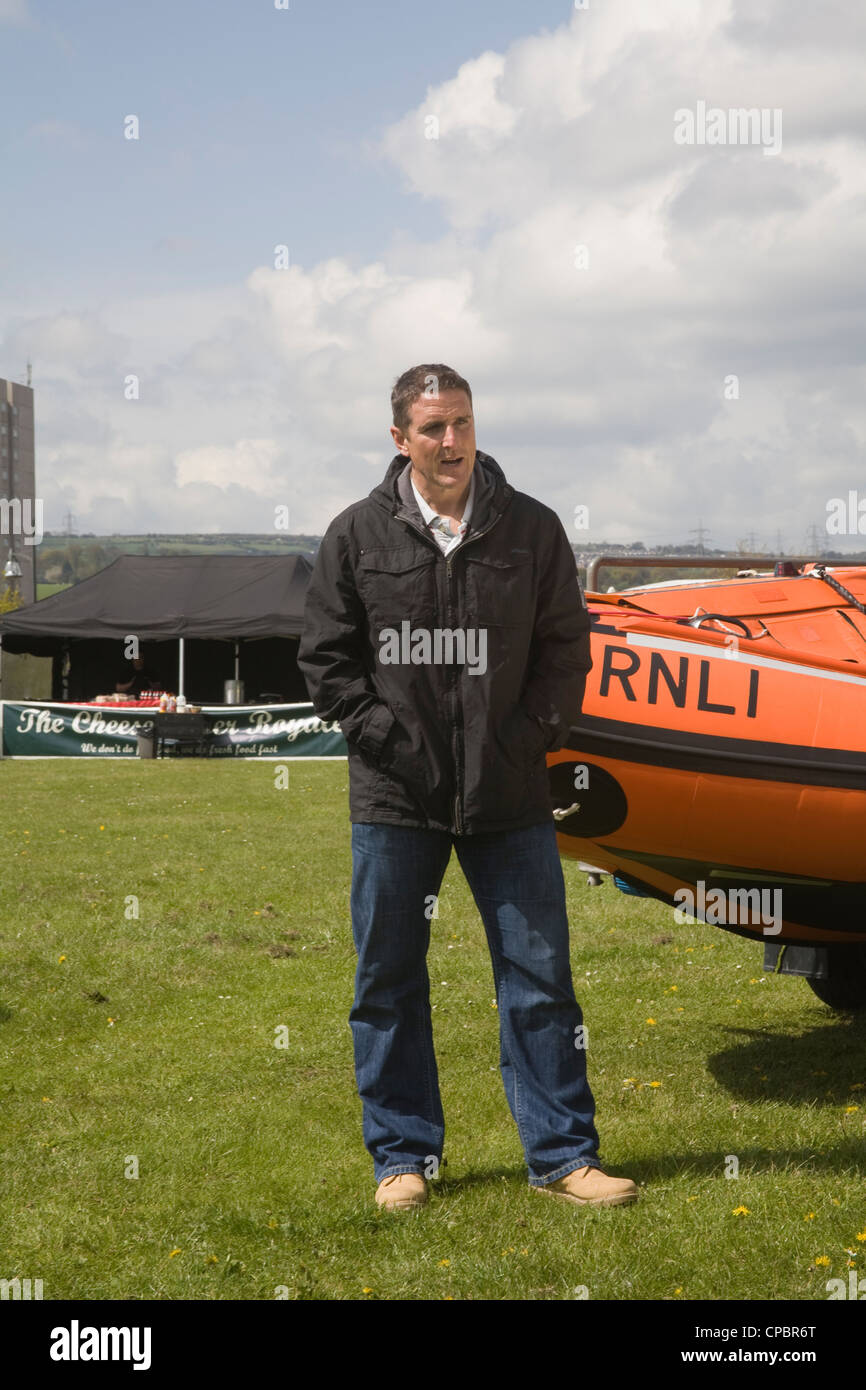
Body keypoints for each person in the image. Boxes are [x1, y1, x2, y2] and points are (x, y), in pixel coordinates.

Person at [297, 364, 637, 1212]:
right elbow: (327, 664)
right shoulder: (354, 537)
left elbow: (566, 651)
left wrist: (526, 742)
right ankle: (402, 1159)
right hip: (395, 799)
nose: (451, 443)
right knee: (388, 979)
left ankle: (564, 1158)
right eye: (433, 429)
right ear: (400, 439)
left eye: (462, 423)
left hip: (511, 795)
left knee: (538, 977)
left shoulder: (534, 529)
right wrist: (390, 743)